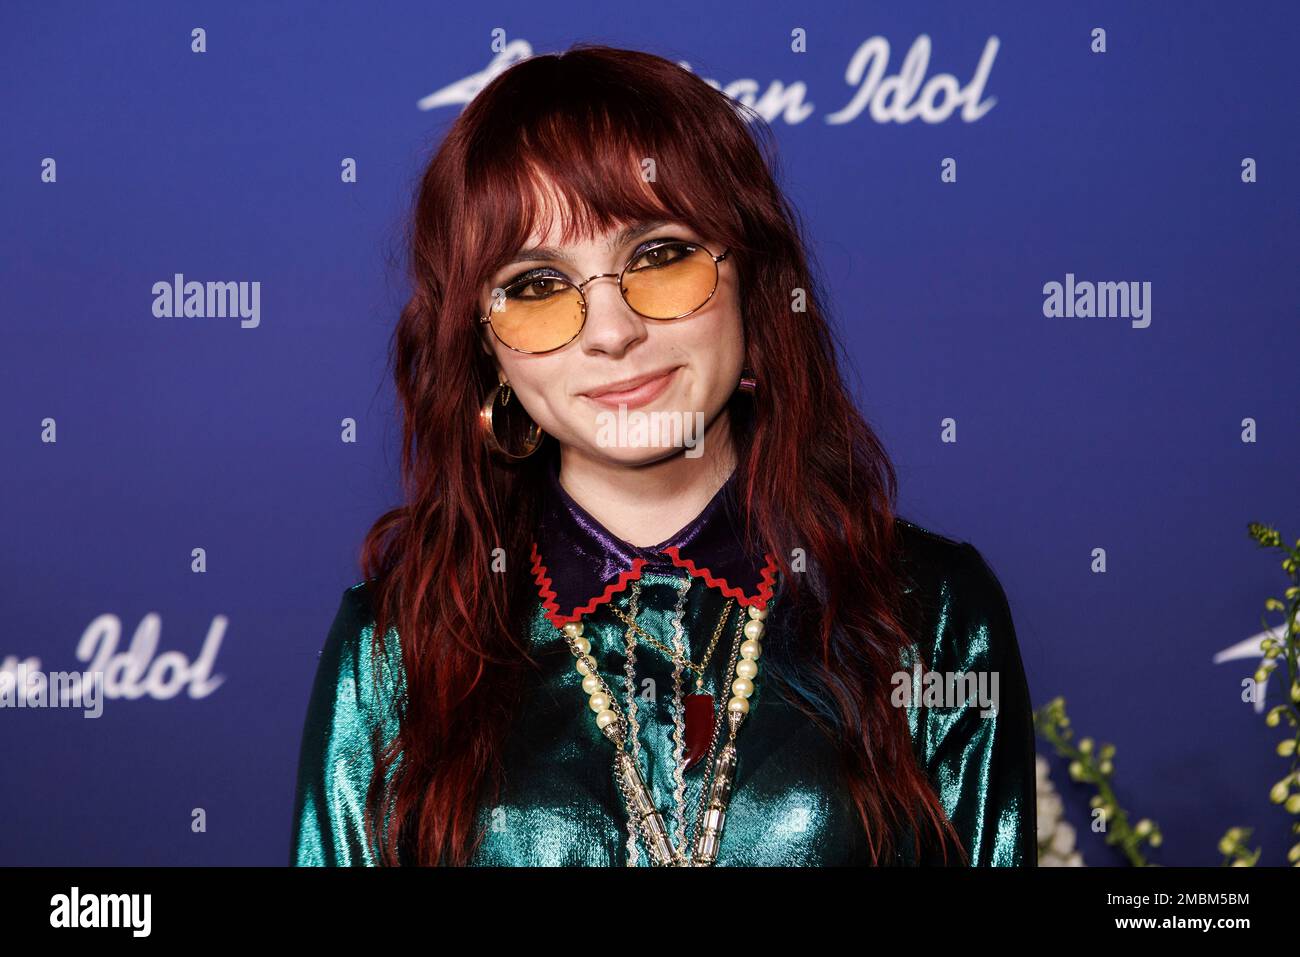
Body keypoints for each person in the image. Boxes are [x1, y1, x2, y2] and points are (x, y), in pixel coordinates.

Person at [290, 43, 1036, 867]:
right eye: (537, 286)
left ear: (751, 279)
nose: (613, 332)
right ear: (485, 350)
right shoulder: (390, 650)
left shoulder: (928, 613)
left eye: (660, 256)